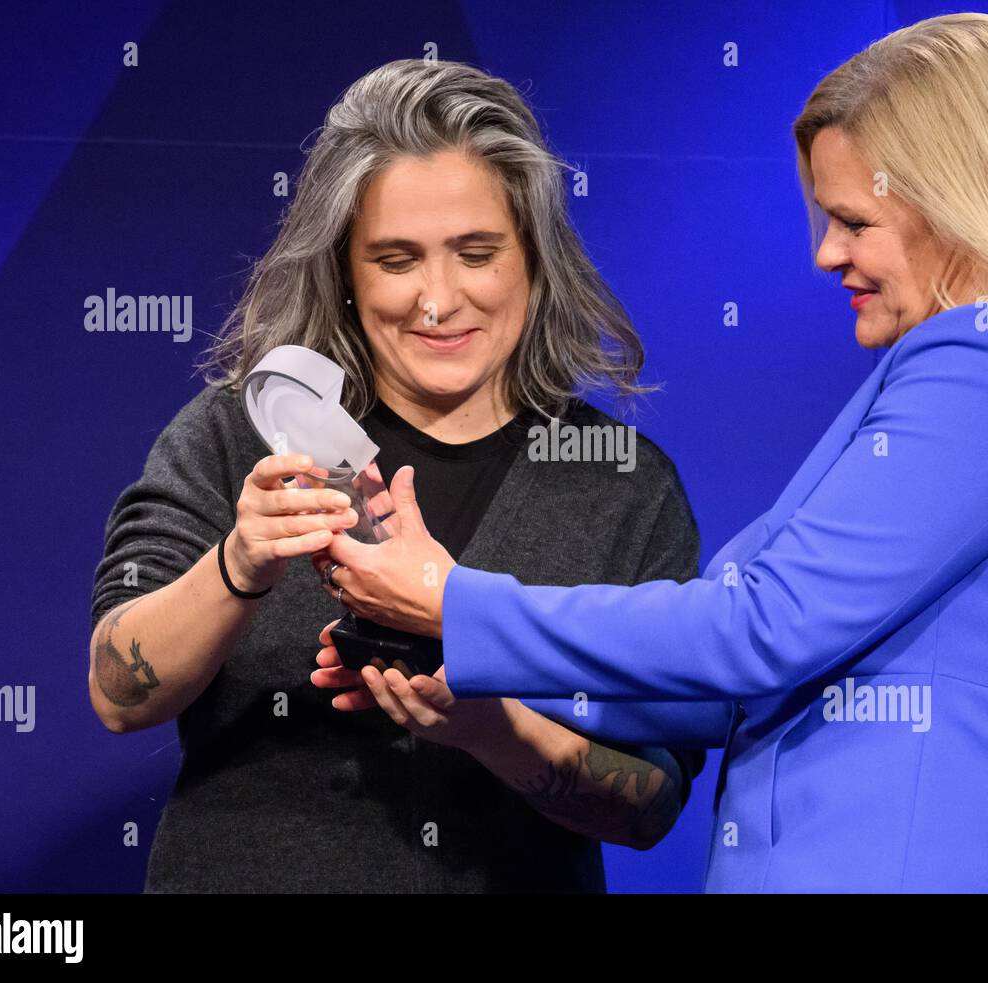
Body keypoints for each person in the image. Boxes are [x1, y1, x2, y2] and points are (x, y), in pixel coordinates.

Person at [313, 13, 988, 892]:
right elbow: (727, 688)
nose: (826, 253)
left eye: (852, 220)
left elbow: (764, 628)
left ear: (960, 201)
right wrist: (464, 676)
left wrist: (451, 598)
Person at [88, 58, 720, 893]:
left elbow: (649, 804)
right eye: (395, 258)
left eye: (476, 252)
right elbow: (117, 692)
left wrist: (495, 730)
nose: (437, 298)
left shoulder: (624, 485)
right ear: (345, 272)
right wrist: (238, 565)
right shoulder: (241, 433)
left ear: (533, 262)